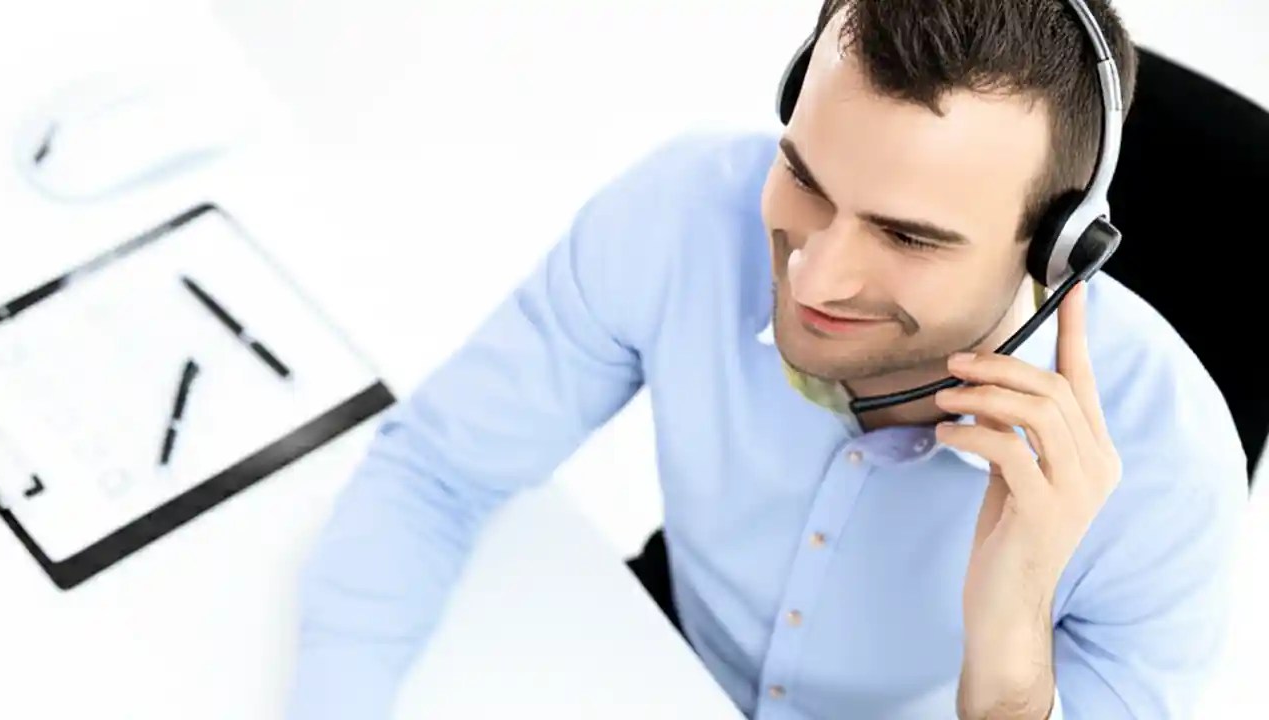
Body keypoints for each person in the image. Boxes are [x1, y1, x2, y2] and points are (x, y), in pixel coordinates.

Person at [286, 1, 1248, 718]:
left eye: (908, 237)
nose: (816, 276)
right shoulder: (680, 213)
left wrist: (1007, 661)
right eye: (804, 176)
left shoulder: (1170, 466)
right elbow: (438, 469)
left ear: (1055, 253)